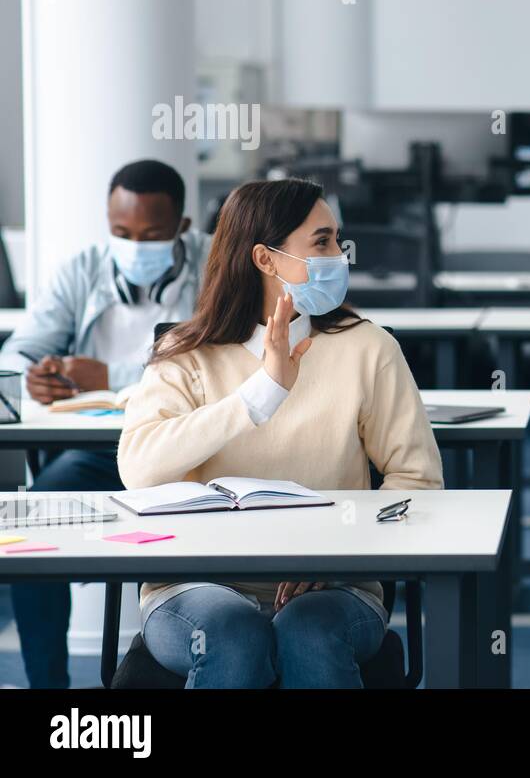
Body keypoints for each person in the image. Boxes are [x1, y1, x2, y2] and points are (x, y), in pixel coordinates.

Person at [117, 177, 442, 688]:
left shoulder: (368, 348)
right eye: (321, 242)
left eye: (336, 238)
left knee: (309, 631)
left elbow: (417, 479)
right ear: (265, 260)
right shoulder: (185, 352)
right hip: (193, 586)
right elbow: (138, 468)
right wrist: (259, 394)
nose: (339, 254)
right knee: (233, 631)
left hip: (336, 586)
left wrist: (336, 554)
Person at [0, 159, 210, 689]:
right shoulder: (83, 269)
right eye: (121, 232)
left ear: (183, 227)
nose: (133, 244)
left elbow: (218, 355)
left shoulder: (216, 267)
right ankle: (48, 685)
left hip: (184, 454)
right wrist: (39, 374)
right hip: (100, 450)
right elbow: (24, 347)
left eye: (151, 234)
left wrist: (110, 374)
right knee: (29, 516)